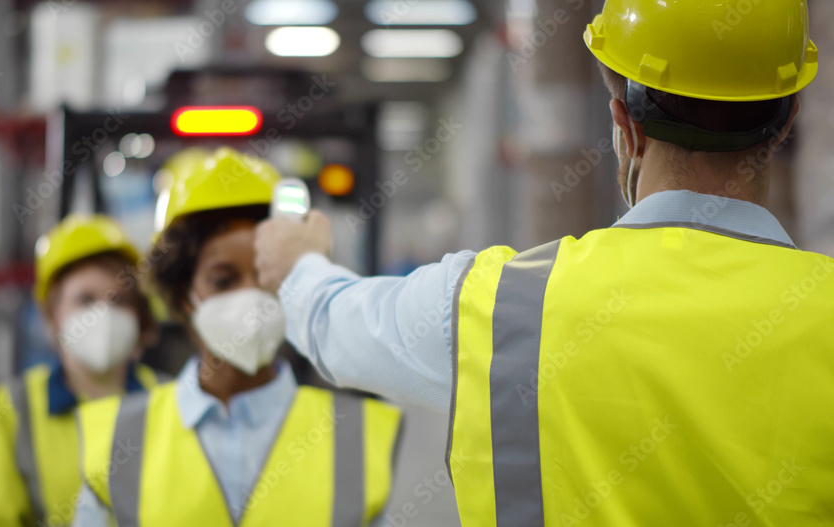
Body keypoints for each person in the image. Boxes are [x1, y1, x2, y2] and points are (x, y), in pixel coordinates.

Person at [253, 0, 834, 525]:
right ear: (786, 121)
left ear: (624, 125)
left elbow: (336, 324)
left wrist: (297, 265)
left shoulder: (500, 308)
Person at [73, 147, 403, 527]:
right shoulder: (118, 440)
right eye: (224, 280)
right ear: (183, 294)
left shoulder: (353, 436)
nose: (254, 297)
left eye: (266, 276)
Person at [0, 215, 165, 527]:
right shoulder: (12, 410)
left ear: (139, 315)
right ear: (53, 315)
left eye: (119, 300)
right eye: (85, 299)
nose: (104, 314)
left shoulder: (171, 402)